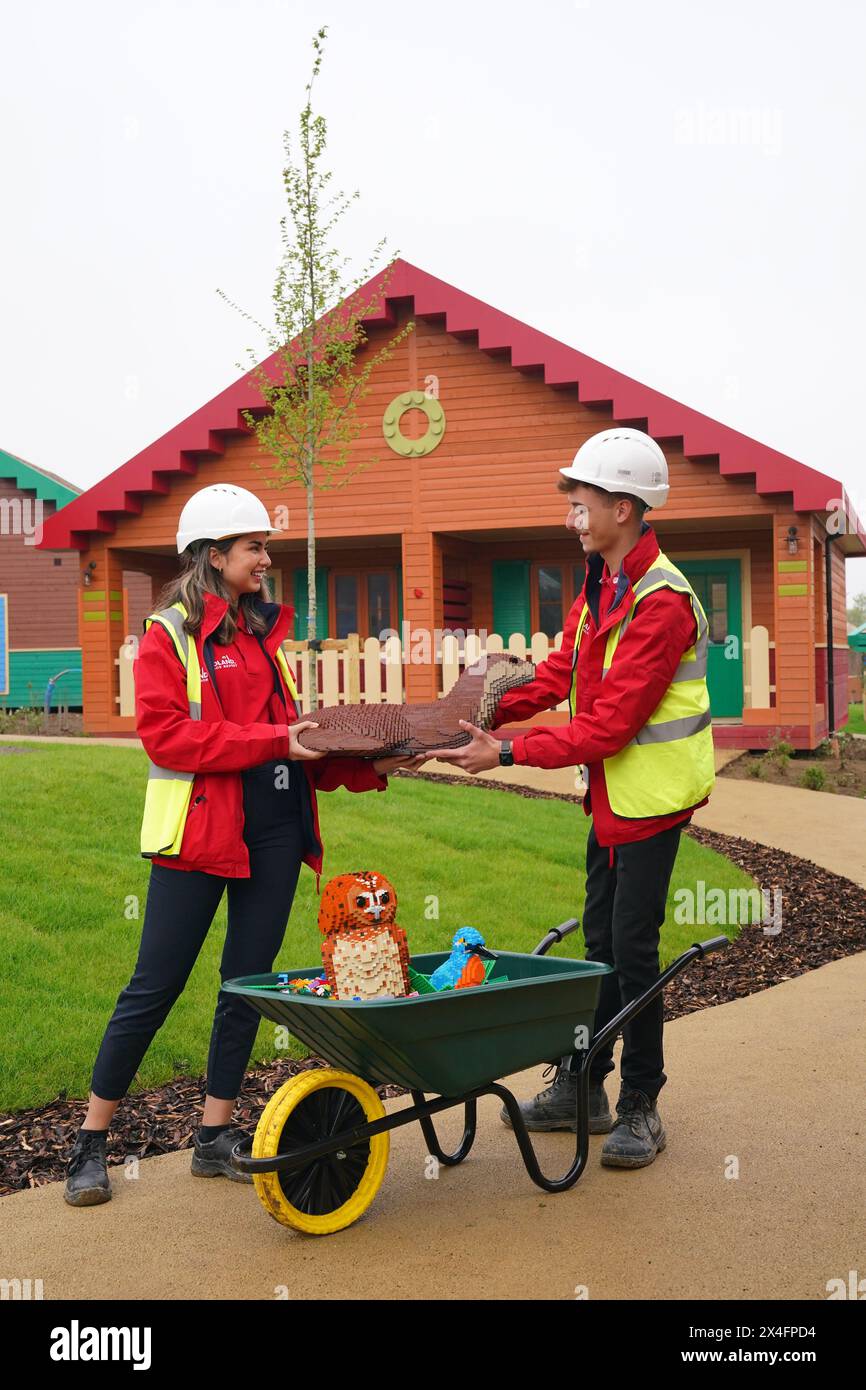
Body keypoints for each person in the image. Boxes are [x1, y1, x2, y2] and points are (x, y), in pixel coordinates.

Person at [64, 483, 423, 1206]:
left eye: (264, 545)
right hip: (199, 837)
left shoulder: (265, 637)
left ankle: (214, 1134)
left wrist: (372, 765)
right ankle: (91, 1142)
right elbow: (168, 736)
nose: (266, 557)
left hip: (276, 833)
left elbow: (298, 749)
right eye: (254, 546)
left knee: (244, 986)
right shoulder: (166, 636)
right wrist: (273, 740)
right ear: (213, 553)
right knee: (154, 988)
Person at [431, 428, 715, 1168]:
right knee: (599, 946)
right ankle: (583, 1082)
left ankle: (642, 1106)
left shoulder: (663, 603)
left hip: (650, 802)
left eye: (581, 503)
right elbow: (561, 673)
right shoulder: (602, 579)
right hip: (609, 800)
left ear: (624, 507)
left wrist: (506, 751)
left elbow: (609, 725)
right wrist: (485, 710)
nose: (571, 517)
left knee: (634, 949)